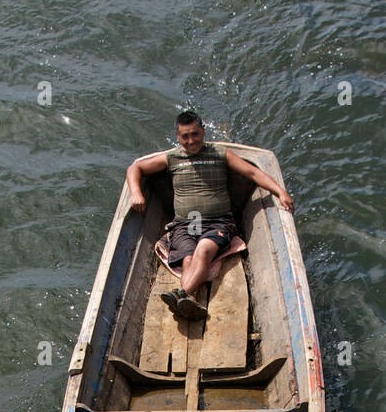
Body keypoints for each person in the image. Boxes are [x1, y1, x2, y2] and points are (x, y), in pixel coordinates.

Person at [125, 110, 295, 320]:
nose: (191, 141)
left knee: (204, 250)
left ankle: (183, 293)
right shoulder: (172, 158)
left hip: (218, 222)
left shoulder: (219, 153)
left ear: (203, 131)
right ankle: (187, 302)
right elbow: (136, 168)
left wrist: (280, 191)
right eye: (185, 136)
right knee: (188, 258)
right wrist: (136, 192)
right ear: (178, 137)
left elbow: (253, 172)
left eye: (195, 134)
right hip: (184, 224)